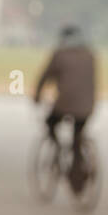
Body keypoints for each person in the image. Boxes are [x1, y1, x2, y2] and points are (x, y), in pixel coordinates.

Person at [33, 24, 97, 189]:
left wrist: (37, 95)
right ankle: (78, 166)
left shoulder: (60, 55)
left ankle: (59, 149)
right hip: (88, 106)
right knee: (77, 137)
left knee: (51, 123)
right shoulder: (90, 55)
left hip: (65, 104)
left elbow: (46, 76)